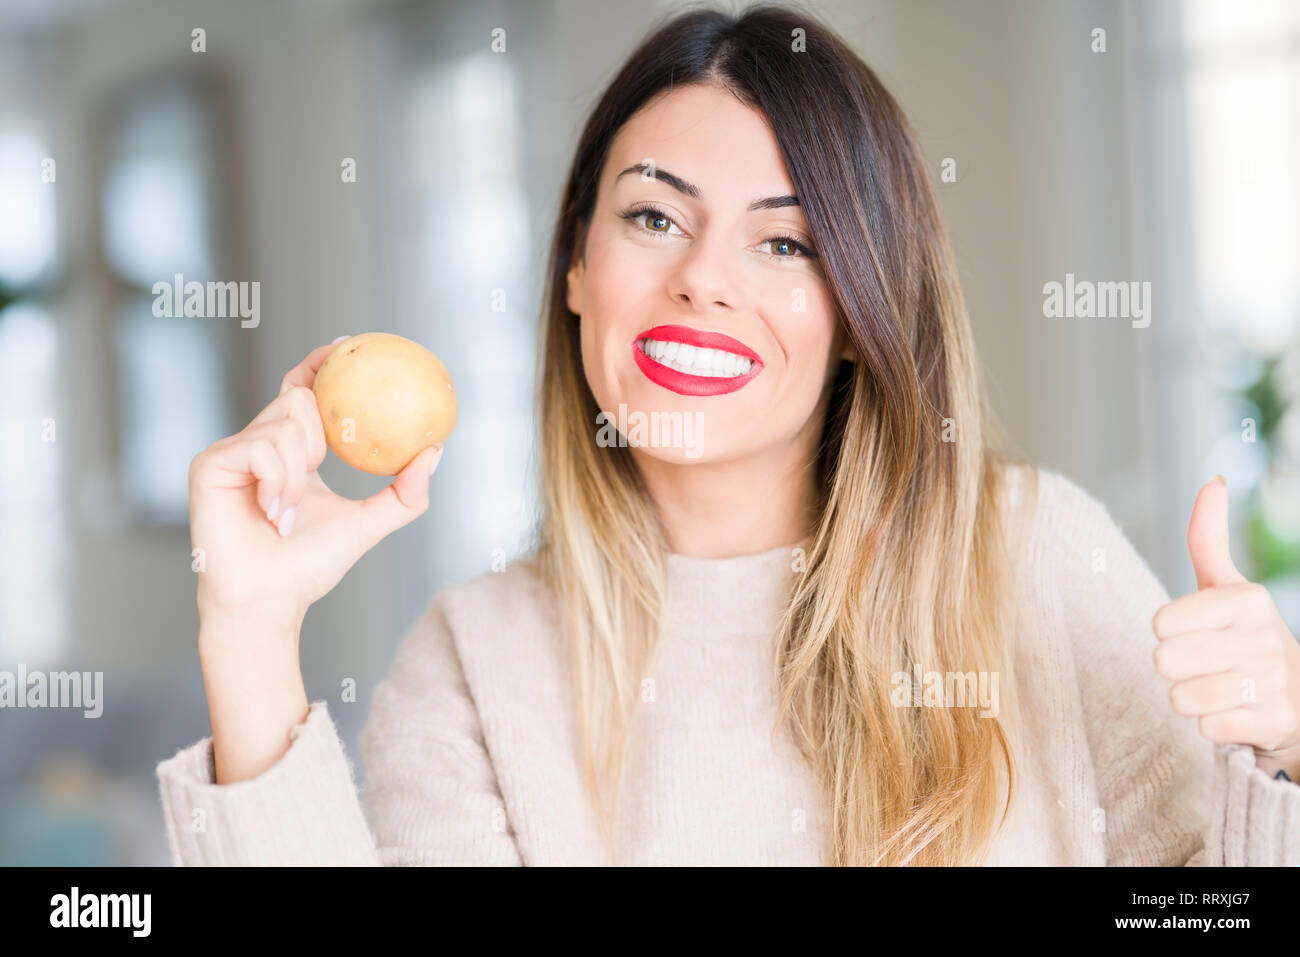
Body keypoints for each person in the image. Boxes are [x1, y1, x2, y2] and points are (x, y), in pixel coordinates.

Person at [156, 3, 1300, 866]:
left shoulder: (1035, 552)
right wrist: (249, 636)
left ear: (860, 316)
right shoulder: (473, 662)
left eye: (785, 243)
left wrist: (1289, 754)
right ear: (574, 266)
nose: (702, 280)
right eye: (653, 217)